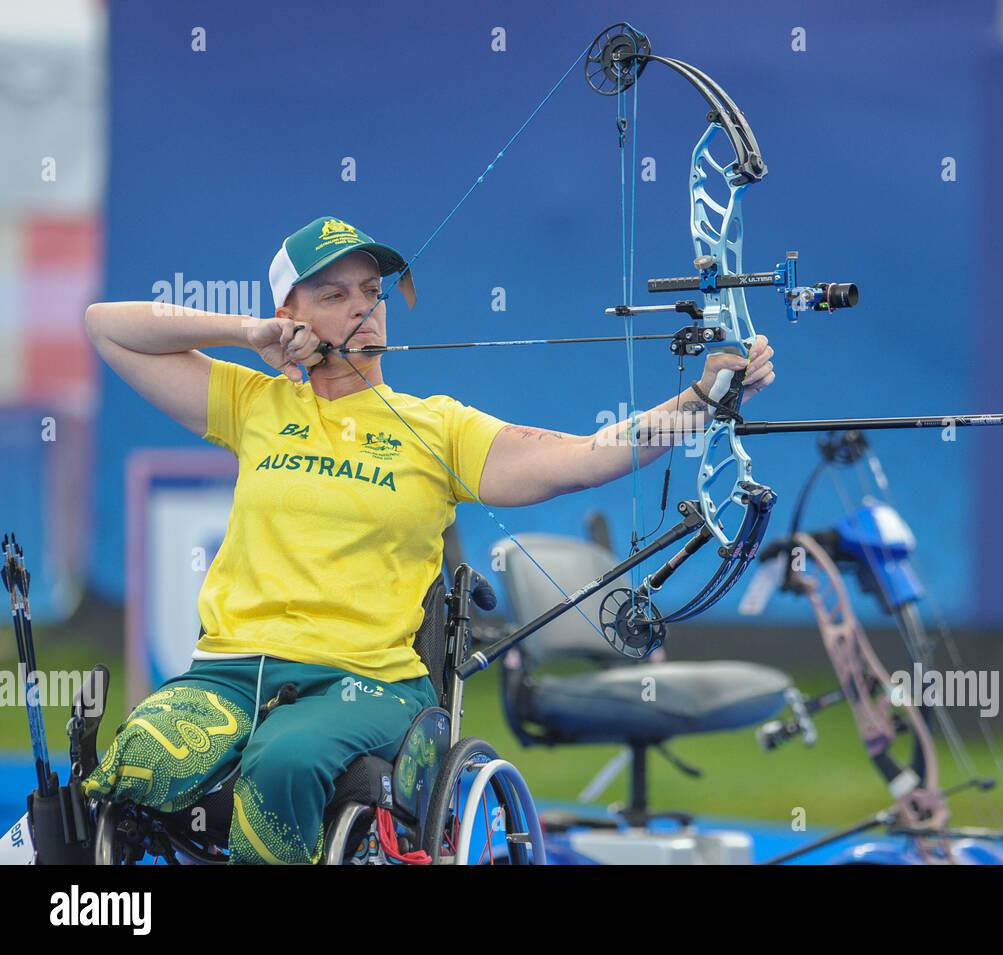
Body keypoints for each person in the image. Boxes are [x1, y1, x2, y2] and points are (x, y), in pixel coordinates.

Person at [82, 215, 776, 864]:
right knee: (142, 756)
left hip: (368, 682)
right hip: (232, 669)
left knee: (283, 763)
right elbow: (105, 325)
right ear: (290, 314)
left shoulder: (437, 427)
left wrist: (697, 403)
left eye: (371, 291)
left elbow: (584, 455)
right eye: (334, 293)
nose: (363, 307)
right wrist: (248, 333)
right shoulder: (252, 402)